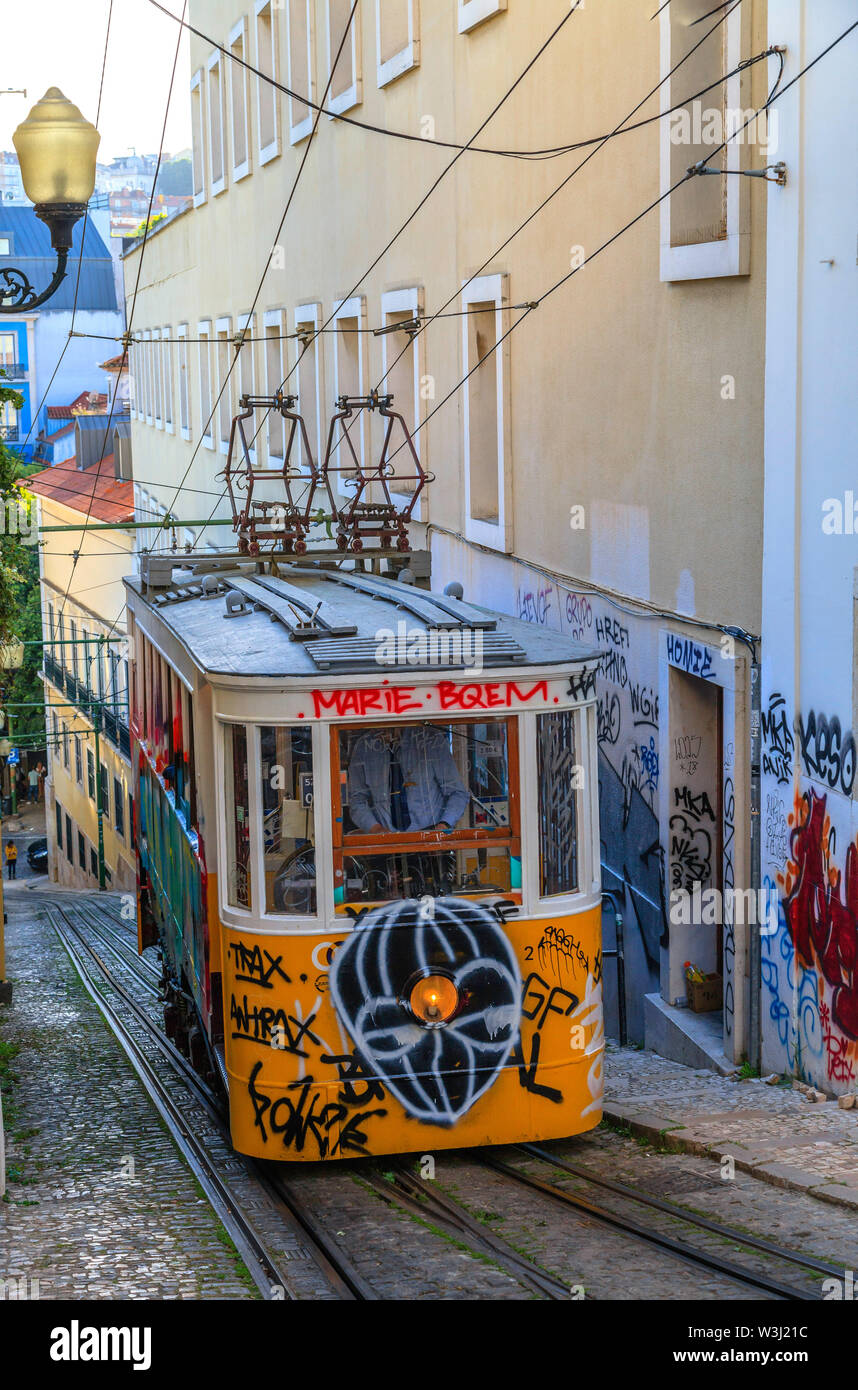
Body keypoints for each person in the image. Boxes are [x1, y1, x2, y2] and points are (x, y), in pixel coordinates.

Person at [347, 725, 471, 835]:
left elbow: (457, 793)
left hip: (430, 839)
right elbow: (357, 800)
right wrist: (375, 829)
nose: (385, 733)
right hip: (385, 841)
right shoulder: (364, 747)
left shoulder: (430, 740)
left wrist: (443, 826)